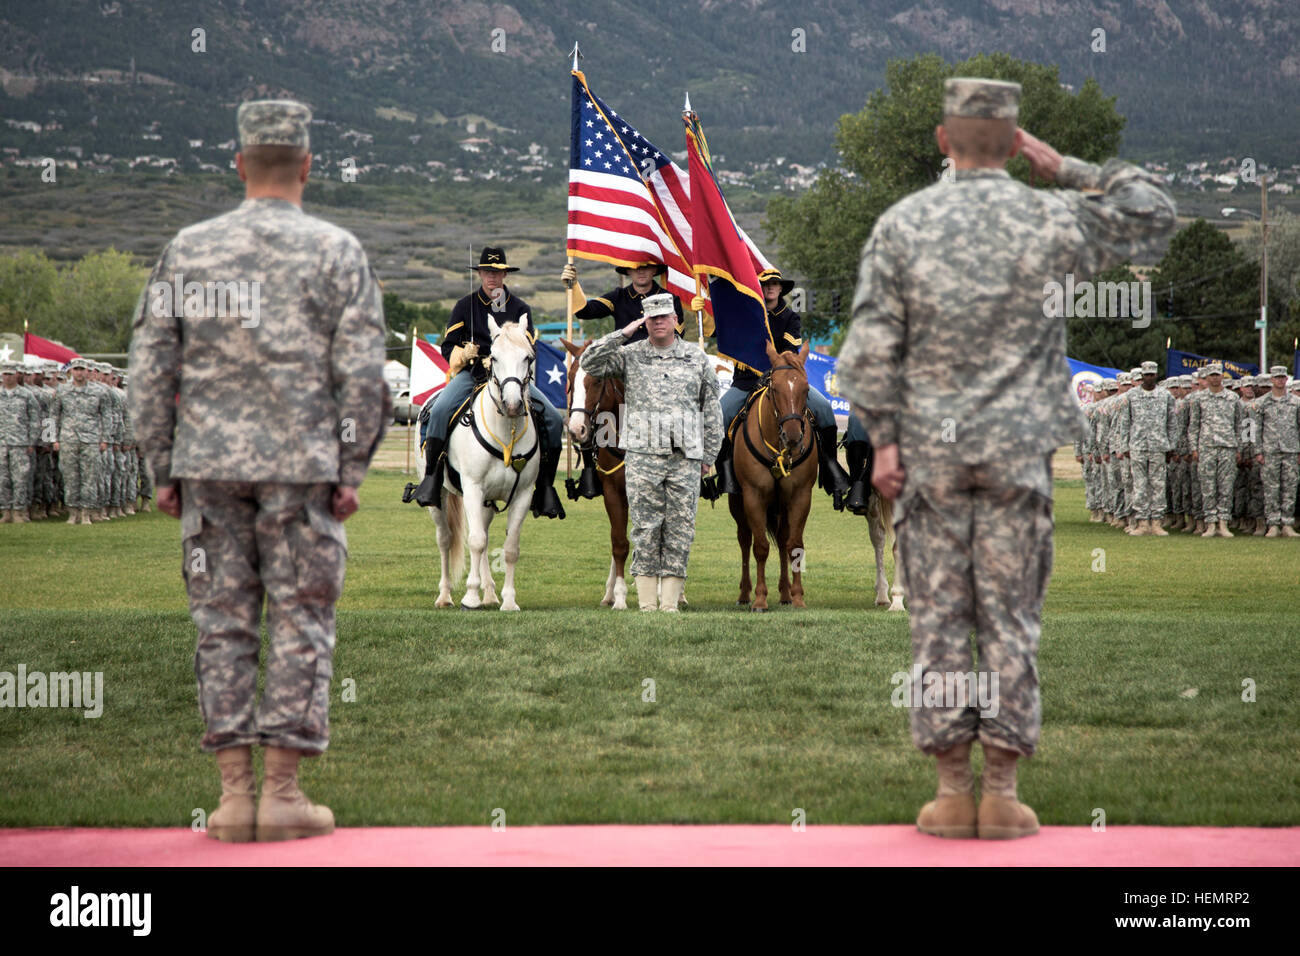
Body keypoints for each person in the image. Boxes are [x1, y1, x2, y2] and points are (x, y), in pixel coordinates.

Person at [836, 77, 1175, 840]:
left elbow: (871, 349)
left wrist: (885, 441)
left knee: (940, 620)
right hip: (1018, 455)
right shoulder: (1048, 215)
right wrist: (1068, 170)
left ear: (942, 139)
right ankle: (1003, 791)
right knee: (1010, 615)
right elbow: (1152, 214)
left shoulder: (904, 223)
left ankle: (952, 791)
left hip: (933, 456)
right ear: (1017, 142)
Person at [129, 99, 389, 843]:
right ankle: (283, 793)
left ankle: (234, 798)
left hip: (207, 466)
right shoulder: (336, 251)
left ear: (239, 165)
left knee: (223, 625)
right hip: (304, 467)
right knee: (302, 619)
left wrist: (160, 463)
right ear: (307, 166)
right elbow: (364, 374)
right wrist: (351, 468)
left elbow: (150, 369)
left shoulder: (188, 249)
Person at [579, 293, 723, 612]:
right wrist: (624, 332)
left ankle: (669, 604)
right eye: (651, 317)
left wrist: (709, 455)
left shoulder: (696, 358)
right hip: (643, 458)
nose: (658, 322)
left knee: (680, 529)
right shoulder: (630, 356)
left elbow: (711, 410)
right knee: (645, 529)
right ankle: (646, 605)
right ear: (645, 320)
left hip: (684, 458)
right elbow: (589, 362)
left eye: (663, 317)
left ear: (674, 320)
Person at [411, 247, 565, 518]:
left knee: (552, 418)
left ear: (504, 274)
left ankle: (545, 489)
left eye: (497, 272)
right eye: (487, 272)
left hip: (512, 379)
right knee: (439, 410)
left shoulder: (520, 309)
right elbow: (448, 346)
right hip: (471, 375)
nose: (492, 277)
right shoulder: (464, 306)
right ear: (480, 273)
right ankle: (431, 479)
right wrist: (463, 354)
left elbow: (529, 350)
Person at [712, 267, 852, 503]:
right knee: (719, 416)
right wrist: (711, 313)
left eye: (775, 284)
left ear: (780, 288)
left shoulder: (790, 317)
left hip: (782, 381)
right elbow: (722, 334)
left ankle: (830, 468)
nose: (770, 288)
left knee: (825, 411)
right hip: (746, 382)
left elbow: (790, 353)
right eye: (766, 285)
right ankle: (725, 472)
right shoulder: (745, 313)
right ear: (760, 288)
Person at [561, 259, 684, 341]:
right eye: (635, 267)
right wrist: (573, 286)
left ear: (655, 270)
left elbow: (678, 334)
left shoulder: (670, 299)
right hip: (623, 365)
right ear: (628, 271)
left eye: (646, 267)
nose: (641, 271)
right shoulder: (618, 297)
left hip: (660, 362)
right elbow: (585, 312)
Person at [52, 357, 109, 526]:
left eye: (82, 369)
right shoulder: (62, 391)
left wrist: (105, 438)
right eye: (76, 369)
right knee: (70, 477)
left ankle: (86, 512)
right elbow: (53, 415)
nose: (79, 372)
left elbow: (106, 416)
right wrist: (52, 439)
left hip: (90, 439)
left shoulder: (99, 392)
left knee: (89, 477)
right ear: (71, 371)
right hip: (68, 439)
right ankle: (72, 512)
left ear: (87, 371)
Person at [1188, 364, 1244, 538]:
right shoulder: (1199, 398)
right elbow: (1194, 425)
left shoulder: (1233, 398)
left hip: (1228, 447)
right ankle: (1211, 523)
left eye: (1217, 375)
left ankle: (1223, 523)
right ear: (1206, 378)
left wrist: (1239, 448)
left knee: (1226, 487)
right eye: (1211, 375)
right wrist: (1194, 448)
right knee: (1208, 487)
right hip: (1207, 447)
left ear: (1222, 376)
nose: (1214, 378)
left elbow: (1239, 425)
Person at [1123, 360, 1177, 535]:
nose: (1149, 378)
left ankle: (1156, 522)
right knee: (1139, 484)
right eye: (1146, 375)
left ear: (1156, 375)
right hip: (1137, 445)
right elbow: (1125, 422)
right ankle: (1142, 522)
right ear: (1142, 376)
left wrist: (1171, 446)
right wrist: (1124, 445)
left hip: (1158, 445)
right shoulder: (1131, 395)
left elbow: (1171, 423)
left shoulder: (1165, 396)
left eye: (1152, 374)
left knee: (1158, 484)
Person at [1254, 366, 1300, 537]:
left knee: (1290, 487)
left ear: (1286, 380)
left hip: (1291, 450)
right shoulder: (1262, 403)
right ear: (1271, 380)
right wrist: (1258, 451)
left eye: (1283, 377)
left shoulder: (1296, 402)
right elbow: (1256, 429)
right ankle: (1273, 523)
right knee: (1271, 488)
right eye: (1277, 377)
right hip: (1270, 450)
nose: (1280, 380)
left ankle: (1287, 523)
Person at [0, 363, 39, 523]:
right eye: (4, 374)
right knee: (3, 479)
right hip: (1, 443)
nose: (7, 377)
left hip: (20, 443)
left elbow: (35, 419)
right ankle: (6, 511)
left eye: (10, 374)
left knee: (20, 478)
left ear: (17, 375)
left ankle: (19, 511)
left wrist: (32, 441)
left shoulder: (26, 395)